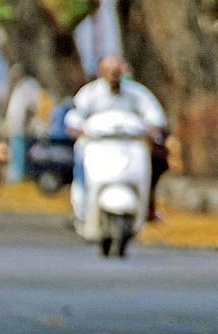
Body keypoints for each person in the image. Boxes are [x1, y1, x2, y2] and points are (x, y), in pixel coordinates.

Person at [66, 54, 167, 220]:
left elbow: (154, 114)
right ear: (101, 72)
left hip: (127, 145)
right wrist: (78, 129)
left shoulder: (135, 92)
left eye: (117, 71)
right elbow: (75, 116)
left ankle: (147, 205)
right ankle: (82, 207)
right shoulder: (90, 93)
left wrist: (152, 128)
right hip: (97, 143)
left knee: (156, 160)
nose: (113, 75)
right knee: (80, 159)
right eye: (109, 71)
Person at [3, 64, 46, 183]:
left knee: (23, 154)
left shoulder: (30, 85)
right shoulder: (18, 86)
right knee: (15, 152)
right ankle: (16, 177)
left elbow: (33, 107)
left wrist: (27, 123)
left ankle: (22, 178)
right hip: (16, 128)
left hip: (25, 128)